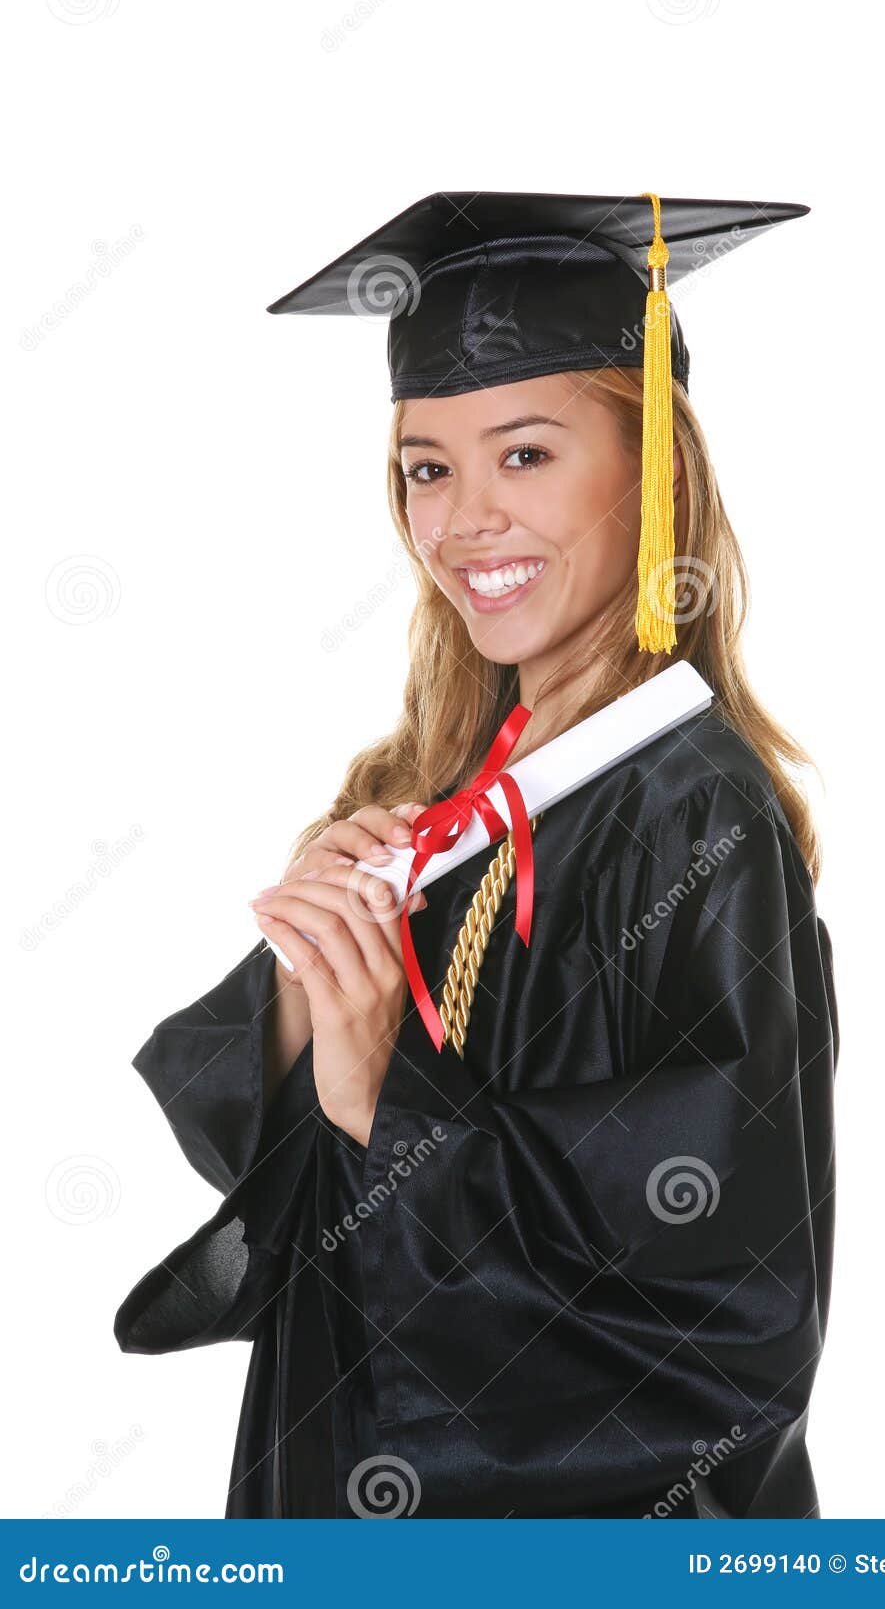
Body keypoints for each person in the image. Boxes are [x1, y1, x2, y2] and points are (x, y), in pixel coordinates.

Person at [114, 191, 839, 1520]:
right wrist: (315, 979)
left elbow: (735, 1309)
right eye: (428, 467)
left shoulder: (694, 817)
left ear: (653, 466)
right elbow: (292, 1167)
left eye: (525, 454)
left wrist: (391, 1091)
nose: (463, 522)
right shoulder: (451, 802)